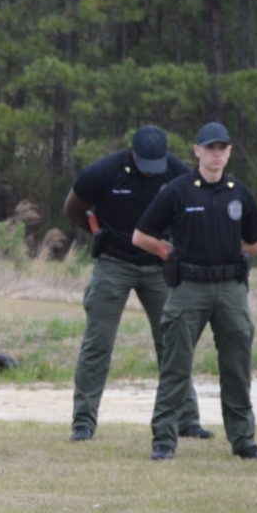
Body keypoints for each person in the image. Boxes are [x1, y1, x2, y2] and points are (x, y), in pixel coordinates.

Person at [132, 122, 257, 462]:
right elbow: (140, 236)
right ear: (197, 151)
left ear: (229, 153)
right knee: (176, 367)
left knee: (237, 368)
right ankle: (164, 440)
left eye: (222, 148)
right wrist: (168, 253)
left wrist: (227, 251)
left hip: (230, 289)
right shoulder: (178, 190)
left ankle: (244, 441)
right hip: (188, 288)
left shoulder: (239, 192)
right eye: (210, 148)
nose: (216, 155)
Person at [64, 126, 205, 443]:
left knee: (172, 343)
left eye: (155, 164)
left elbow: (193, 212)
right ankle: (83, 422)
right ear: (132, 151)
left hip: (158, 266)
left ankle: (187, 419)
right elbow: (72, 207)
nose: (150, 171)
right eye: (144, 163)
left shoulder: (178, 173)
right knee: (97, 344)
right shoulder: (103, 172)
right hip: (114, 262)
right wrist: (95, 230)